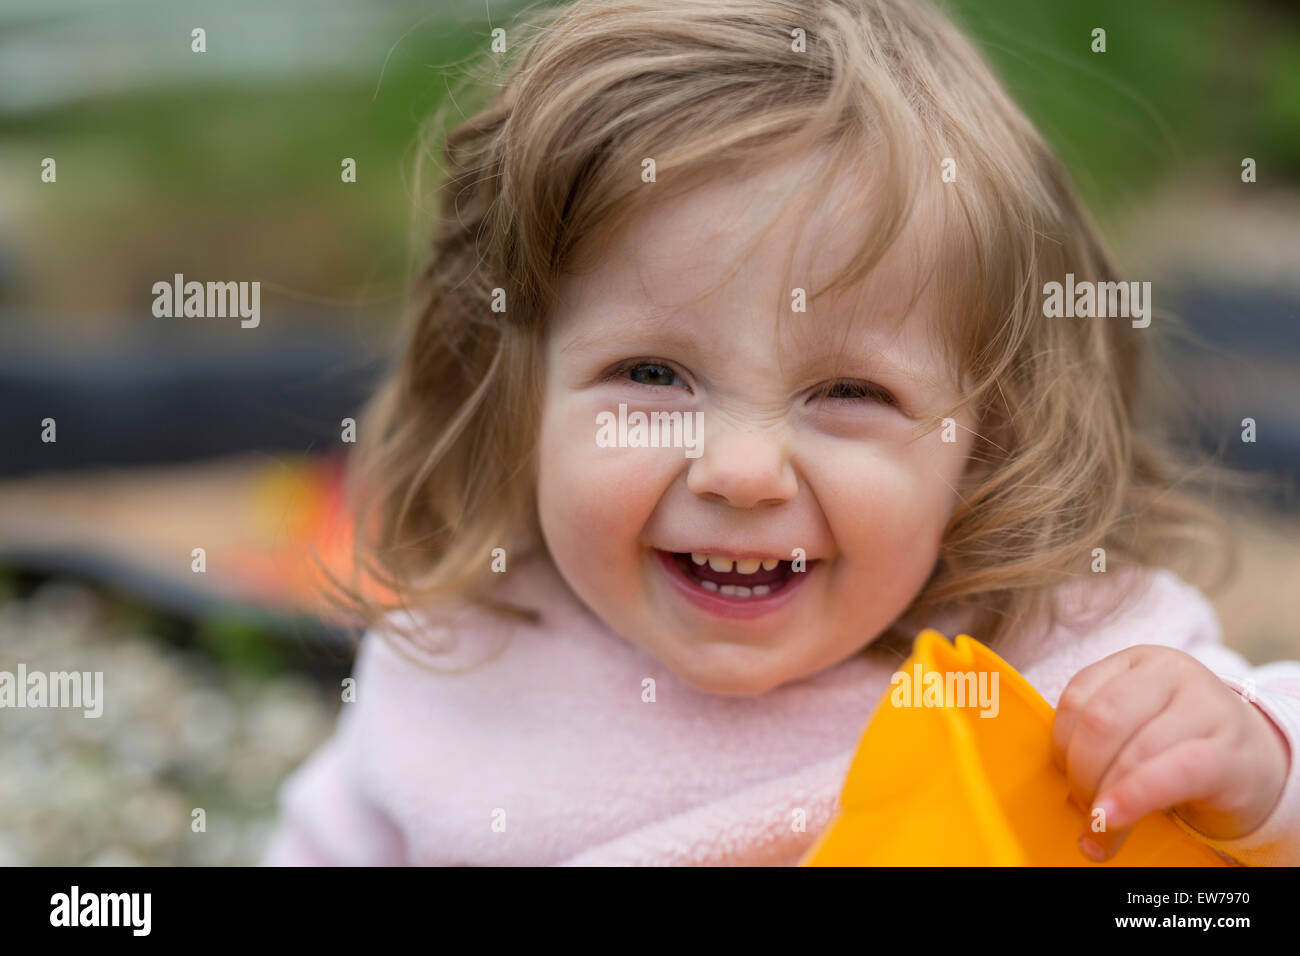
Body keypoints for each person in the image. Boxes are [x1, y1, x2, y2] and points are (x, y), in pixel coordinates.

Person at [262, 0, 1300, 866]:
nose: (743, 471)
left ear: (990, 434)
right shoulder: (469, 653)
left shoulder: (1057, 657)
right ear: (514, 396)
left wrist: (1253, 765)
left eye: (849, 391)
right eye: (652, 374)